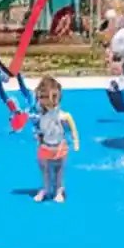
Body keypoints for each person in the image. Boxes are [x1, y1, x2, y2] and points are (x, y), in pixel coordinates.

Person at [23, 75, 80, 203]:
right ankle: (45, 188)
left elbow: (71, 125)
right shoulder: (39, 114)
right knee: (44, 169)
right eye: (41, 97)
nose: (43, 101)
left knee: (59, 170)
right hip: (45, 146)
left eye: (46, 97)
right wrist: (37, 134)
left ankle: (59, 189)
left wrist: (75, 140)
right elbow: (38, 127)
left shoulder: (61, 115)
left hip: (60, 147)